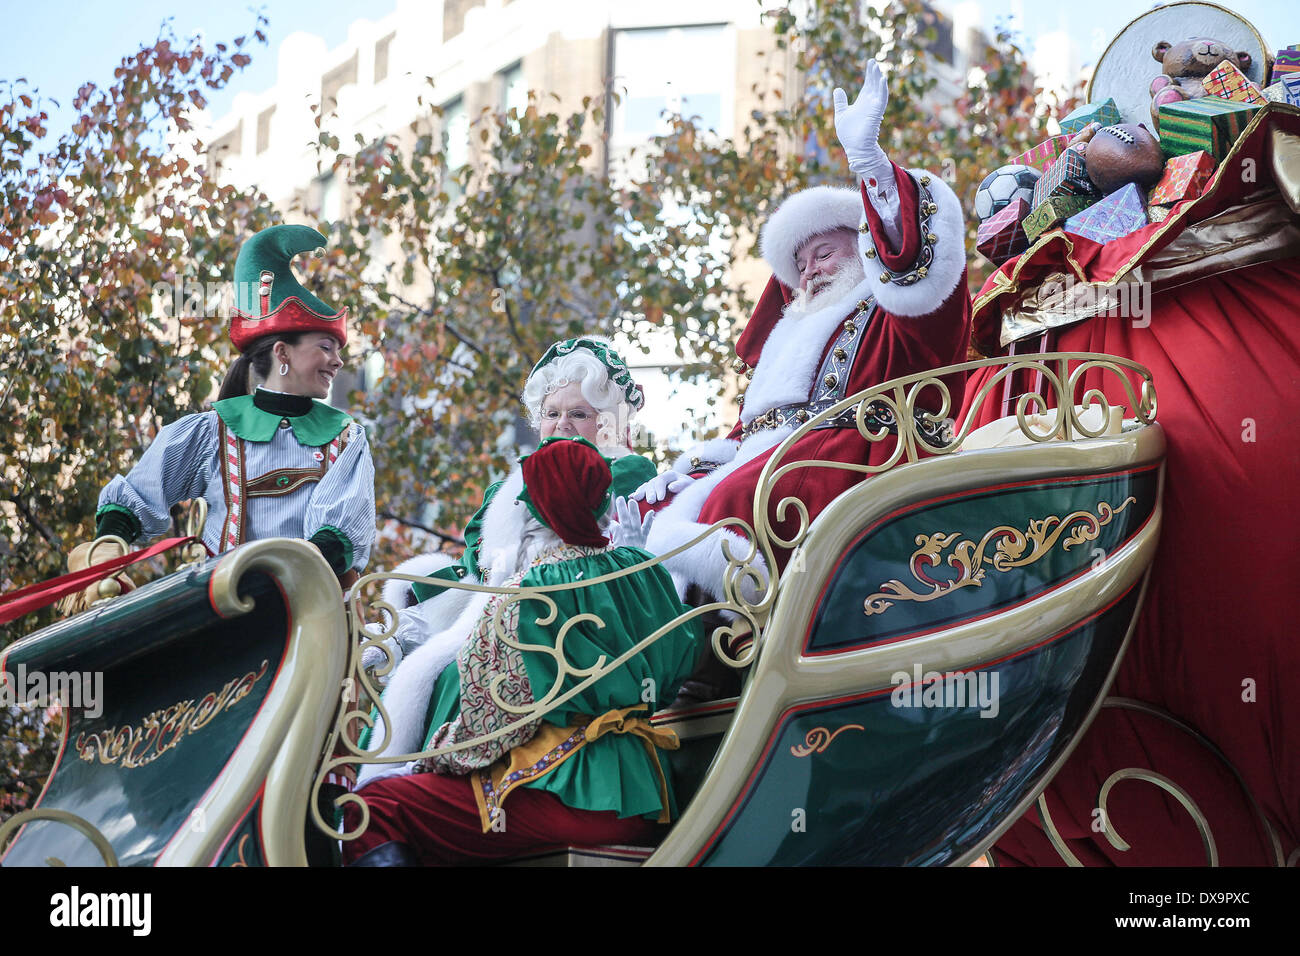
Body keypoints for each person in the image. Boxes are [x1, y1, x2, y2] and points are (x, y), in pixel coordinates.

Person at [634, 62, 972, 601]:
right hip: (771, 458)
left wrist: (872, 169)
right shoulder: (791, 333)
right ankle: (675, 655)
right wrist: (693, 466)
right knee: (653, 507)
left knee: (737, 499)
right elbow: (752, 431)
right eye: (801, 263)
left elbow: (929, 296)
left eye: (823, 253)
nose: (810, 271)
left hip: (854, 461)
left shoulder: (887, 314)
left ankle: (736, 646)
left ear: (864, 250)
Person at [345, 437, 702, 866]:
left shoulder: (525, 593)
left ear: (536, 510)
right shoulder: (642, 573)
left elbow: (492, 720)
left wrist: (422, 766)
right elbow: (682, 660)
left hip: (565, 794)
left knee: (373, 805)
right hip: (642, 793)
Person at [80, 225, 376, 599]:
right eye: (326, 347)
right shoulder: (210, 431)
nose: (338, 361)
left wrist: (283, 586)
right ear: (282, 353)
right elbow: (137, 496)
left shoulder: (345, 437)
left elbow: (341, 534)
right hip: (219, 616)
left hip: (311, 614)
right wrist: (109, 546)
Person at [362, 337, 656, 685]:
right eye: (552, 413)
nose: (562, 423)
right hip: (494, 625)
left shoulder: (625, 473)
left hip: (565, 636)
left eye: (578, 414)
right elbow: (474, 577)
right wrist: (408, 627)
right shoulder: (510, 487)